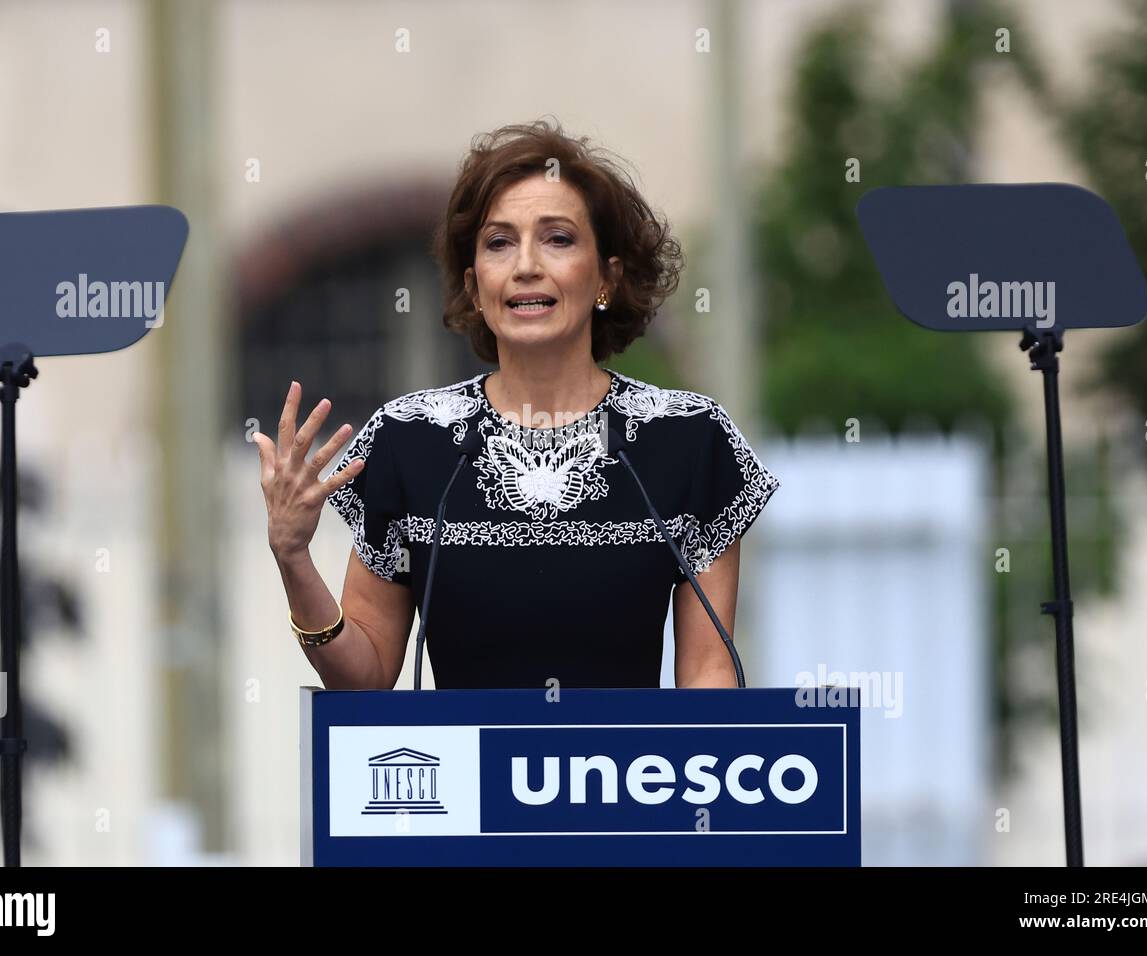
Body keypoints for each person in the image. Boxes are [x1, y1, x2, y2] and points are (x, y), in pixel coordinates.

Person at [253, 119, 778, 690]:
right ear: (476, 287)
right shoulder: (408, 439)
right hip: (460, 779)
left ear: (607, 276)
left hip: (630, 777)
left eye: (558, 238)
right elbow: (367, 680)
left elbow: (707, 673)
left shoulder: (687, 438)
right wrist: (293, 557)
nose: (527, 264)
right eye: (500, 242)